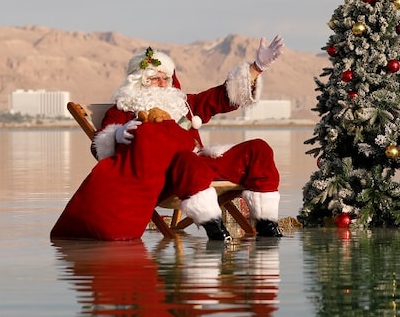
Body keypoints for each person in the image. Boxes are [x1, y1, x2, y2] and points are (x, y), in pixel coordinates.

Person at [50, 36, 286, 242]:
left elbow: (221, 97)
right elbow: (100, 149)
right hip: (168, 180)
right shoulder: (122, 110)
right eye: (155, 78)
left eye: (166, 78)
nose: (163, 83)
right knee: (188, 161)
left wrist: (256, 68)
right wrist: (117, 135)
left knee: (258, 149)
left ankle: (266, 223)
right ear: (138, 81)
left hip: (200, 167)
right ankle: (214, 227)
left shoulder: (185, 104)